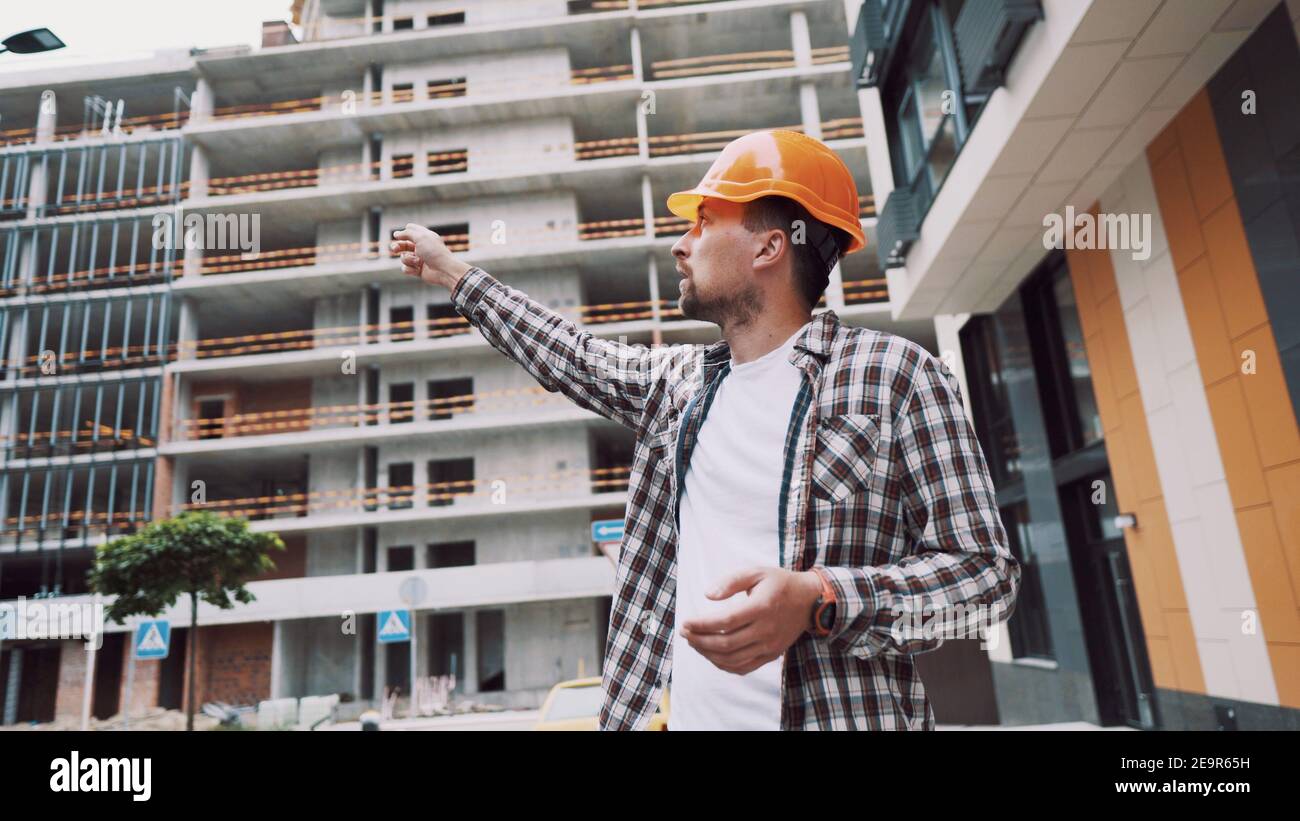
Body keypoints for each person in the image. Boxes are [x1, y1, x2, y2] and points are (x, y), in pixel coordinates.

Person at [391, 129, 1020, 730]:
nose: (679, 244)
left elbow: (985, 583)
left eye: (703, 223)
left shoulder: (897, 378)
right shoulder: (678, 387)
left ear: (769, 247)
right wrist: (453, 274)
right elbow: (570, 355)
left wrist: (819, 599)